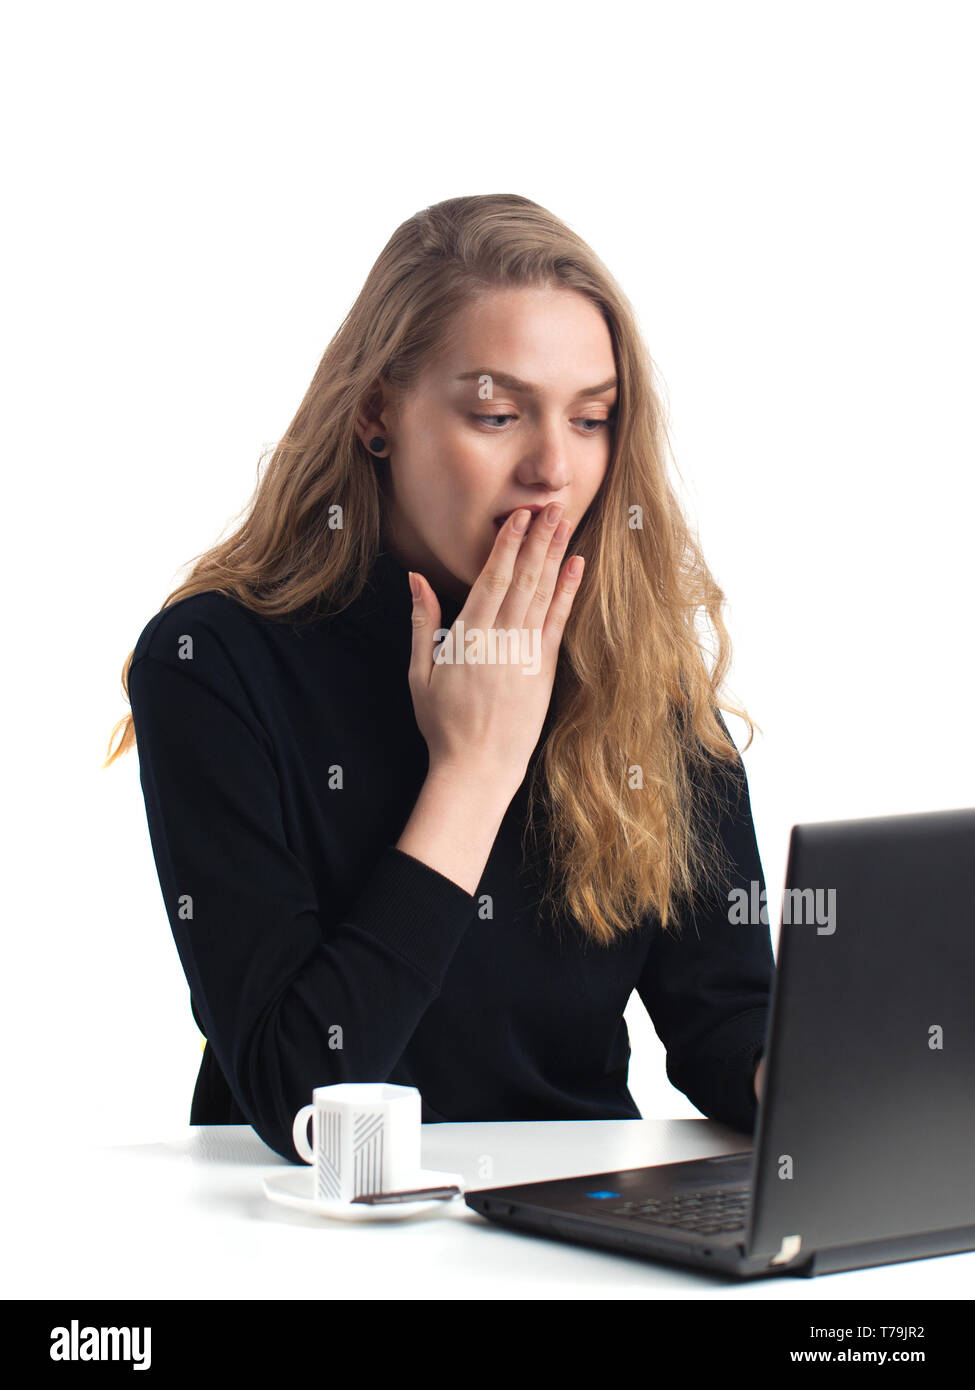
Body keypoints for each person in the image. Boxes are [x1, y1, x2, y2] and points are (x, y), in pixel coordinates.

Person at [104, 193, 774, 1164]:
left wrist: (833, 1082)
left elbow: (724, 1025)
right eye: (498, 413)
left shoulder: (631, 656)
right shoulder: (215, 663)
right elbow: (302, 1094)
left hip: (577, 1220)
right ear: (377, 412)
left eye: (592, 418)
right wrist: (473, 770)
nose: (553, 466)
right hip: (294, 1231)